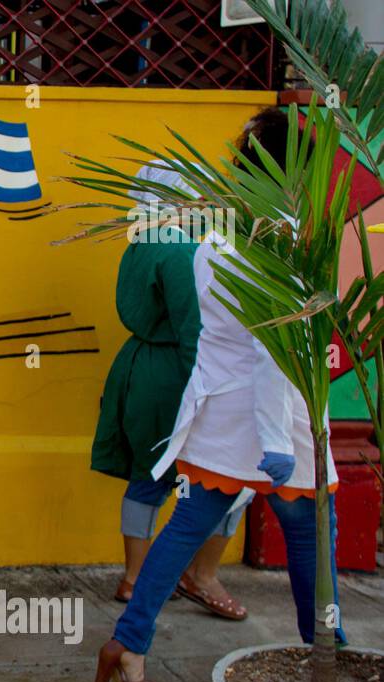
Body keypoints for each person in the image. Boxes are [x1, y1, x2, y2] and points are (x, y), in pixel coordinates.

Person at [94, 108, 349, 682]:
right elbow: (270, 351)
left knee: (183, 531)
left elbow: (218, 337)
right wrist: (279, 444)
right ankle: (330, 651)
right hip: (275, 418)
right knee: (316, 540)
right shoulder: (282, 241)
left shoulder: (215, 235)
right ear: (298, 173)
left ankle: (128, 643)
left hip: (219, 416)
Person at [91, 163, 247, 620]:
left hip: (140, 367)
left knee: (148, 474)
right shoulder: (179, 249)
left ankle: (133, 577)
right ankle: (202, 575)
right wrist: (209, 388)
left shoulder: (140, 240)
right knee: (226, 476)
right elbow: (193, 330)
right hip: (176, 375)